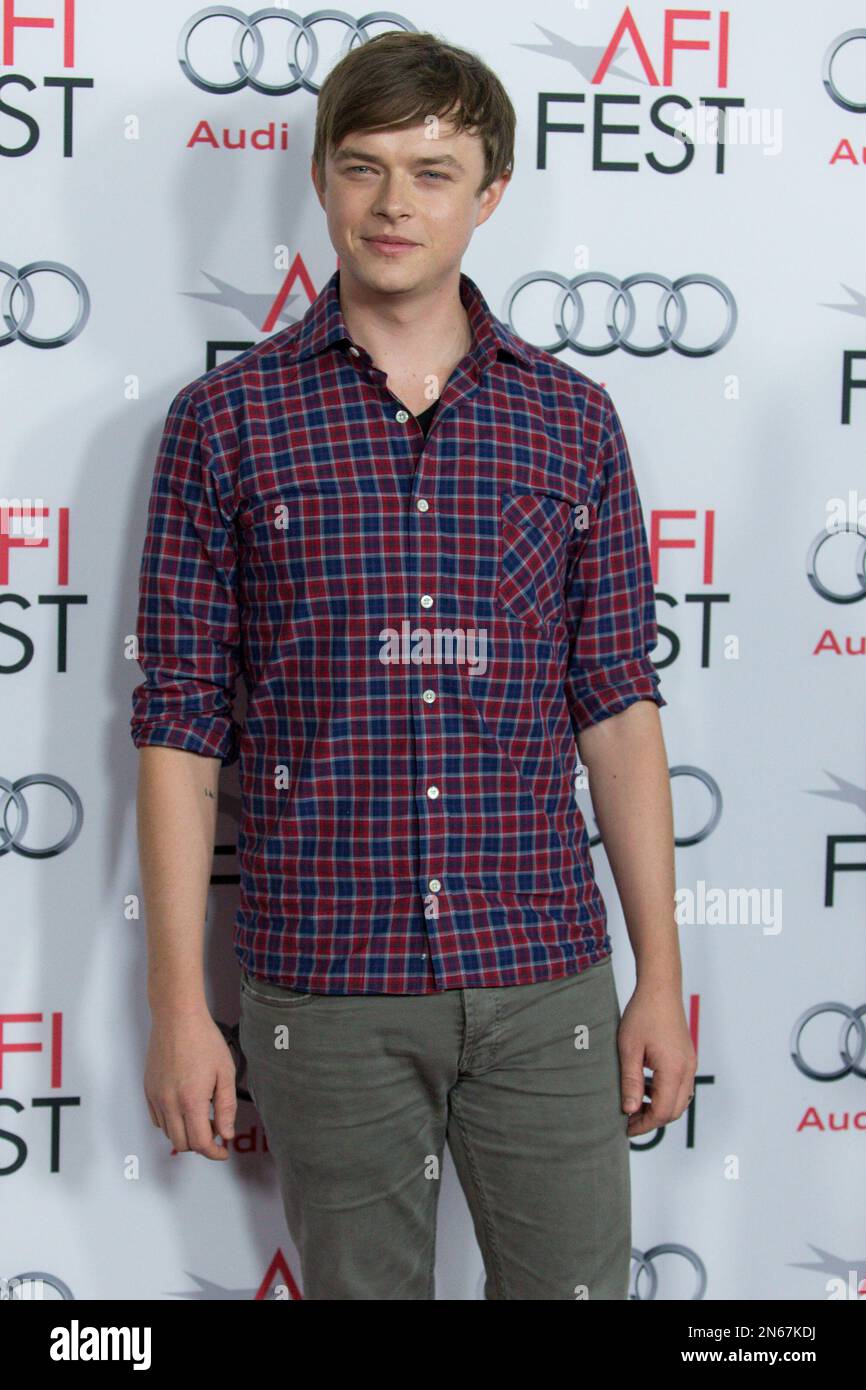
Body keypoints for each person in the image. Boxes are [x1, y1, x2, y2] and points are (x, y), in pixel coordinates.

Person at [131, 29, 697, 1301]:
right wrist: (177, 1002)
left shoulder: (570, 420)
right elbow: (177, 729)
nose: (395, 204)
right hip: (323, 981)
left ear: (487, 193)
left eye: (433, 171)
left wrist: (659, 976)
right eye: (364, 166)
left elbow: (614, 707)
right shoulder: (222, 425)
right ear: (321, 182)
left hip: (541, 968)